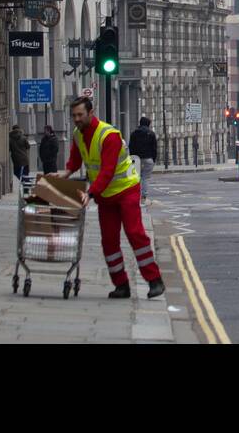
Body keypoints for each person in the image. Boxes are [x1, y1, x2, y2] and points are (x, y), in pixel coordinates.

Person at [60, 98, 165, 299]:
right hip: (105, 196)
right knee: (109, 241)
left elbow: (107, 171)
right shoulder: (77, 135)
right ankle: (121, 285)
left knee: (135, 233)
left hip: (126, 190)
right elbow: (75, 160)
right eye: (74, 115)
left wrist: (89, 194)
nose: (77, 119)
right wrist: (65, 173)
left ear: (91, 113)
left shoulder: (109, 136)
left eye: (80, 115)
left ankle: (155, 281)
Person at [128, 117, 157, 202]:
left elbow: (131, 147)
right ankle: (143, 196)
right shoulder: (151, 134)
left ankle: (134, 195)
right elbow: (154, 148)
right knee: (145, 178)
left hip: (136, 158)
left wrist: (132, 158)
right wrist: (153, 159)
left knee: (135, 177)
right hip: (148, 158)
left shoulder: (134, 133)